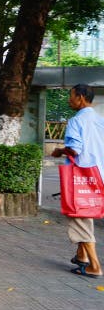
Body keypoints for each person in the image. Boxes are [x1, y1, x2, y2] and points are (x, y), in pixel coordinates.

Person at [51, 84, 104, 278]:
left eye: (71, 96)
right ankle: (81, 257)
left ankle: (95, 266)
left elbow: (75, 150)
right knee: (86, 214)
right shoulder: (100, 121)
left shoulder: (76, 121)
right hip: (98, 176)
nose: (68, 100)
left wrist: (60, 151)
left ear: (81, 98)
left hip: (81, 176)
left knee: (80, 218)